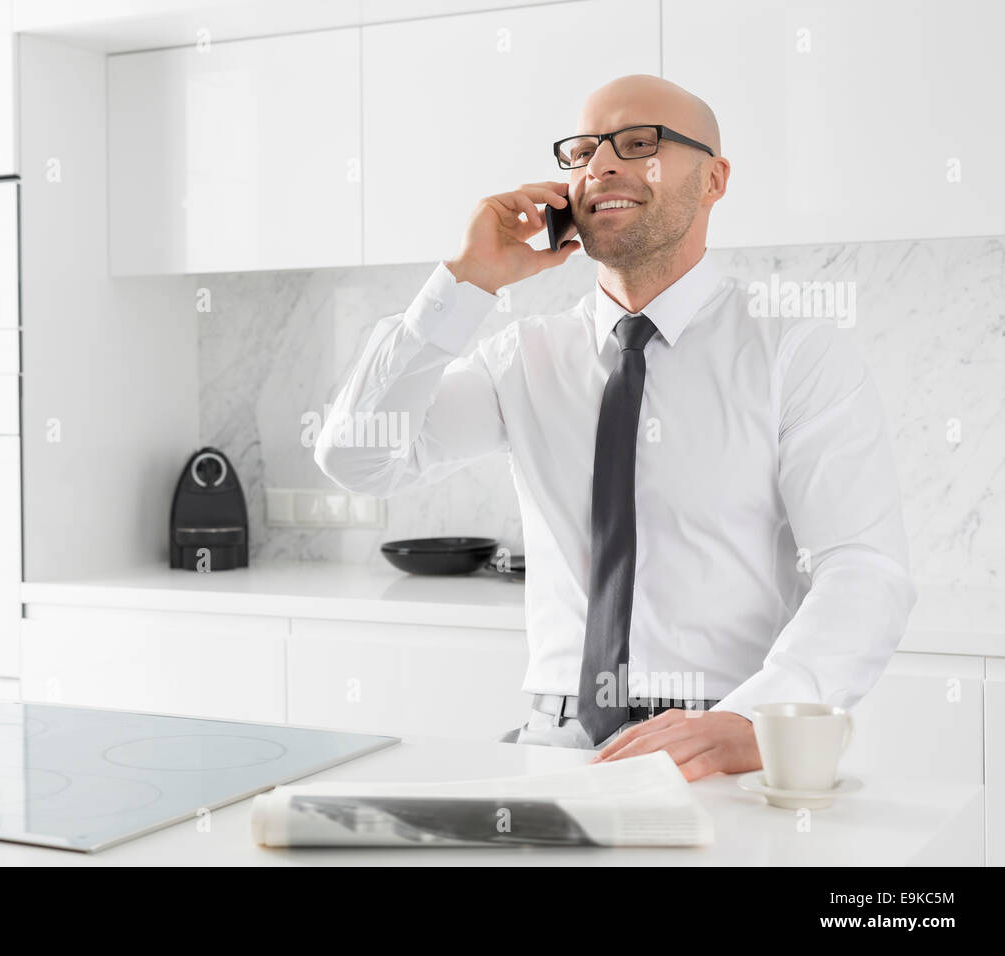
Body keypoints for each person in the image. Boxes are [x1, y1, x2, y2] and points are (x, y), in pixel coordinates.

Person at [313, 74, 915, 782]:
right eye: (583, 152)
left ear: (714, 179)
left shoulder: (794, 352)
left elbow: (863, 571)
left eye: (639, 144)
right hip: (553, 742)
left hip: (719, 734)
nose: (601, 167)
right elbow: (357, 459)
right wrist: (466, 280)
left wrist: (753, 721)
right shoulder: (524, 358)